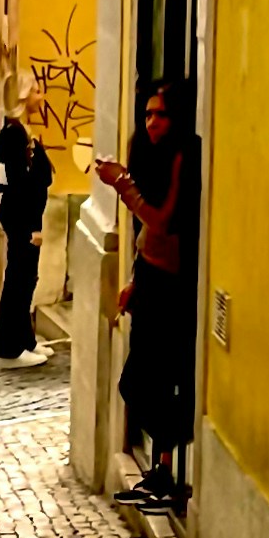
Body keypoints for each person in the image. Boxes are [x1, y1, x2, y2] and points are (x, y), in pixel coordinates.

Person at [99, 77, 199, 511]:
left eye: (161, 114)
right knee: (139, 382)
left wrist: (124, 186)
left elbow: (161, 221)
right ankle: (161, 469)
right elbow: (145, 233)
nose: (153, 123)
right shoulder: (151, 155)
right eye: (148, 115)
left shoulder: (183, 157)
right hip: (152, 278)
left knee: (157, 381)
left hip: (176, 283)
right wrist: (136, 278)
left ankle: (171, 471)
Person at [0, 111, 54, 364]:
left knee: (25, 280)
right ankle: (9, 347)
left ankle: (25, 341)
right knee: (19, 282)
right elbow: (25, 192)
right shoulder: (15, 148)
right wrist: (33, 230)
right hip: (22, 225)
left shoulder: (25, 146)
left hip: (21, 223)